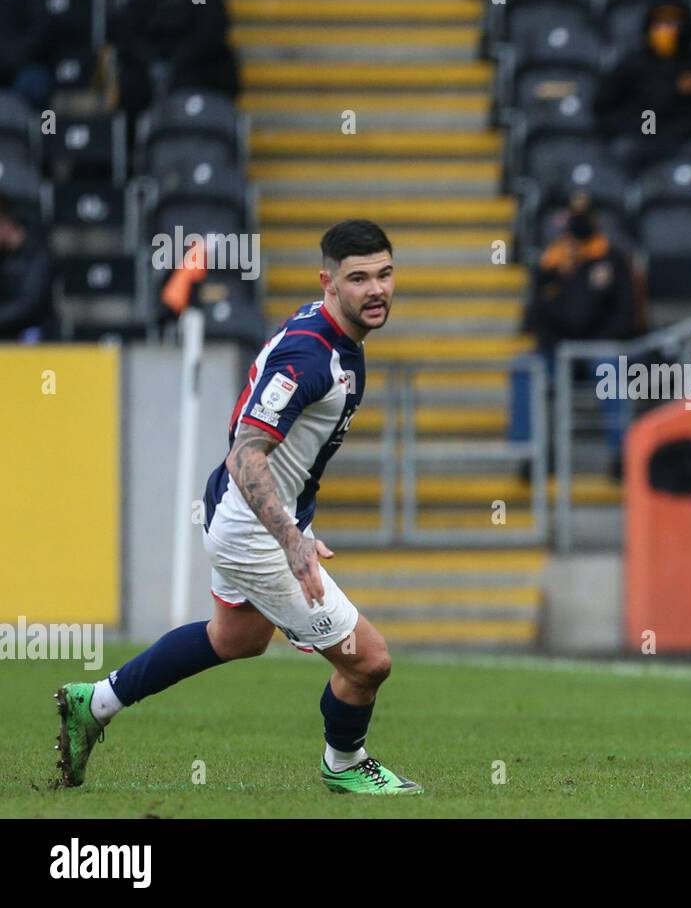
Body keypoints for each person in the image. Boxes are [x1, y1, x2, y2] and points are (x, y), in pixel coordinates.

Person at [54, 220, 424, 795]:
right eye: (358, 279)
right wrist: (292, 541)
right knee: (368, 662)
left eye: (385, 274)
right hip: (256, 527)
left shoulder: (330, 333)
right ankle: (346, 765)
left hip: (246, 513)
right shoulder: (311, 355)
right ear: (328, 282)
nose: (376, 290)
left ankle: (95, 702)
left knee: (235, 638)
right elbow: (246, 454)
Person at [512, 193, 642, 477]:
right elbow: (534, 317)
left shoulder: (613, 259)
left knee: (611, 364)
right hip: (557, 350)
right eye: (573, 216)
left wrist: (589, 337)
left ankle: (620, 454)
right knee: (524, 366)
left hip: (597, 348)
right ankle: (529, 454)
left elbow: (625, 316)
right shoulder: (551, 262)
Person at [595, 0, 691, 174]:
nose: (665, 30)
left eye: (672, 23)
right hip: (642, 138)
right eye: (660, 23)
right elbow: (604, 108)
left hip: (688, 141)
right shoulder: (631, 65)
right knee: (622, 151)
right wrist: (637, 126)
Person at [0, 193, 53, 342]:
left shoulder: (36, 252)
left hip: (33, 330)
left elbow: (29, 303)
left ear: (6, 225)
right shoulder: (4, 255)